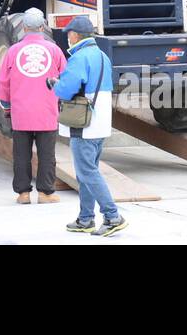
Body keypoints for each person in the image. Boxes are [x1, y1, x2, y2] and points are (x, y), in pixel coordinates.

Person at [50, 16, 126, 236]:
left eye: (69, 34)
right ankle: (86, 219)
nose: (68, 38)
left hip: (84, 125)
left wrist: (56, 84)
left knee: (87, 172)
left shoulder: (79, 57)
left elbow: (66, 90)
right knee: (86, 172)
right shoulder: (102, 55)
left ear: (75, 35)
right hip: (100, 123)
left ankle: (112, 216)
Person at [0, 7, 66, 205]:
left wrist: (7, 108)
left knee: (21, 155)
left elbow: (3, 84)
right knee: (47, 155)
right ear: (43, 27)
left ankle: (23, 193)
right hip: (46, 111)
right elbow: (65, 79)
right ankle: (45, 193)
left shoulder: (13, 51)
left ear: (24, 28)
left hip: (20, 113)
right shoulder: (54, 50)